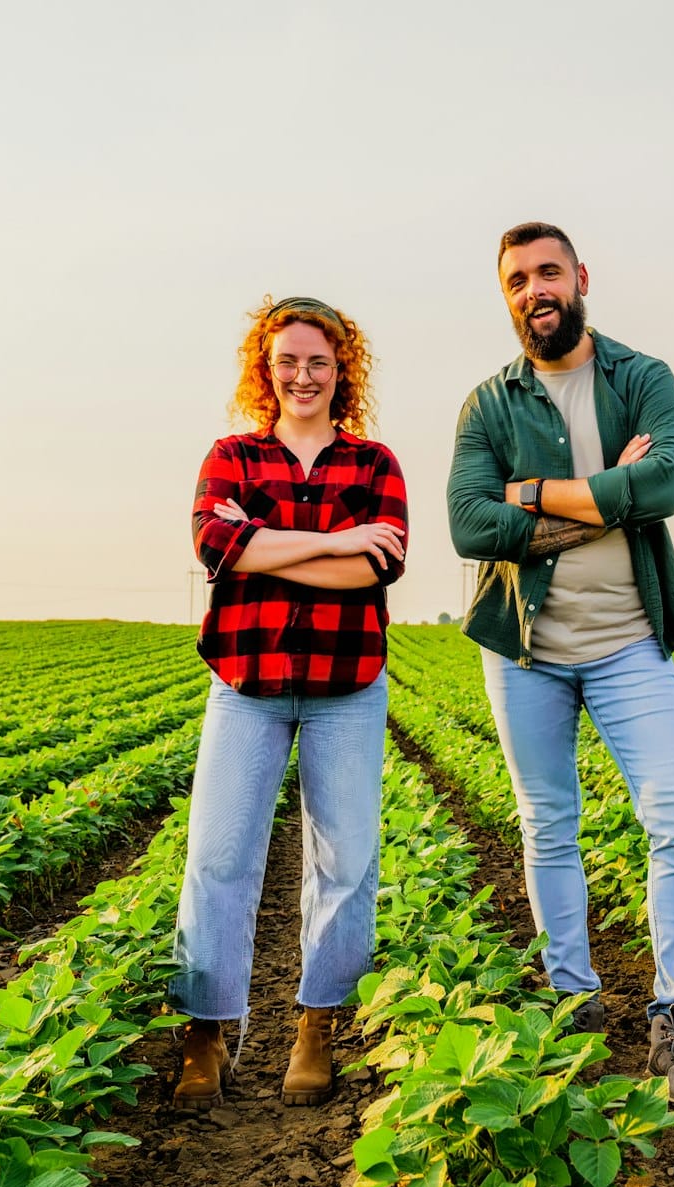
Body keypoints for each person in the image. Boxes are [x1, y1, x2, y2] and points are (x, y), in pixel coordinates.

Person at [445, 222, 674, 1112]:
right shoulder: (489, 404)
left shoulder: (641, 379)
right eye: (520, 278)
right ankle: (572, 1006)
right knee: (547, 823)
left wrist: (529, 494)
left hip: (629, 641)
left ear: (581, 278)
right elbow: (467, 524)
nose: (538, 289)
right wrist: (606, 500)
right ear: (507, 295)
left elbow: (668, 485)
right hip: (525, 649)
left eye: (550, 272)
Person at [171, 295, 408, 1110]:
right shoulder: (231, 453)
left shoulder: (374, 464)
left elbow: (378, 568)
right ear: (265, 371)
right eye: (288, 362)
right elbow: (213, 543)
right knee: (218, 857)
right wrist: (340, 538)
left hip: (348, 684)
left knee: (345, 863)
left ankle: (317, 1024)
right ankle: (207, 1033)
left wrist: (265, 550)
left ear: (343, 371)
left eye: (319, 361)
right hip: (247, 681)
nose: (303, 375)